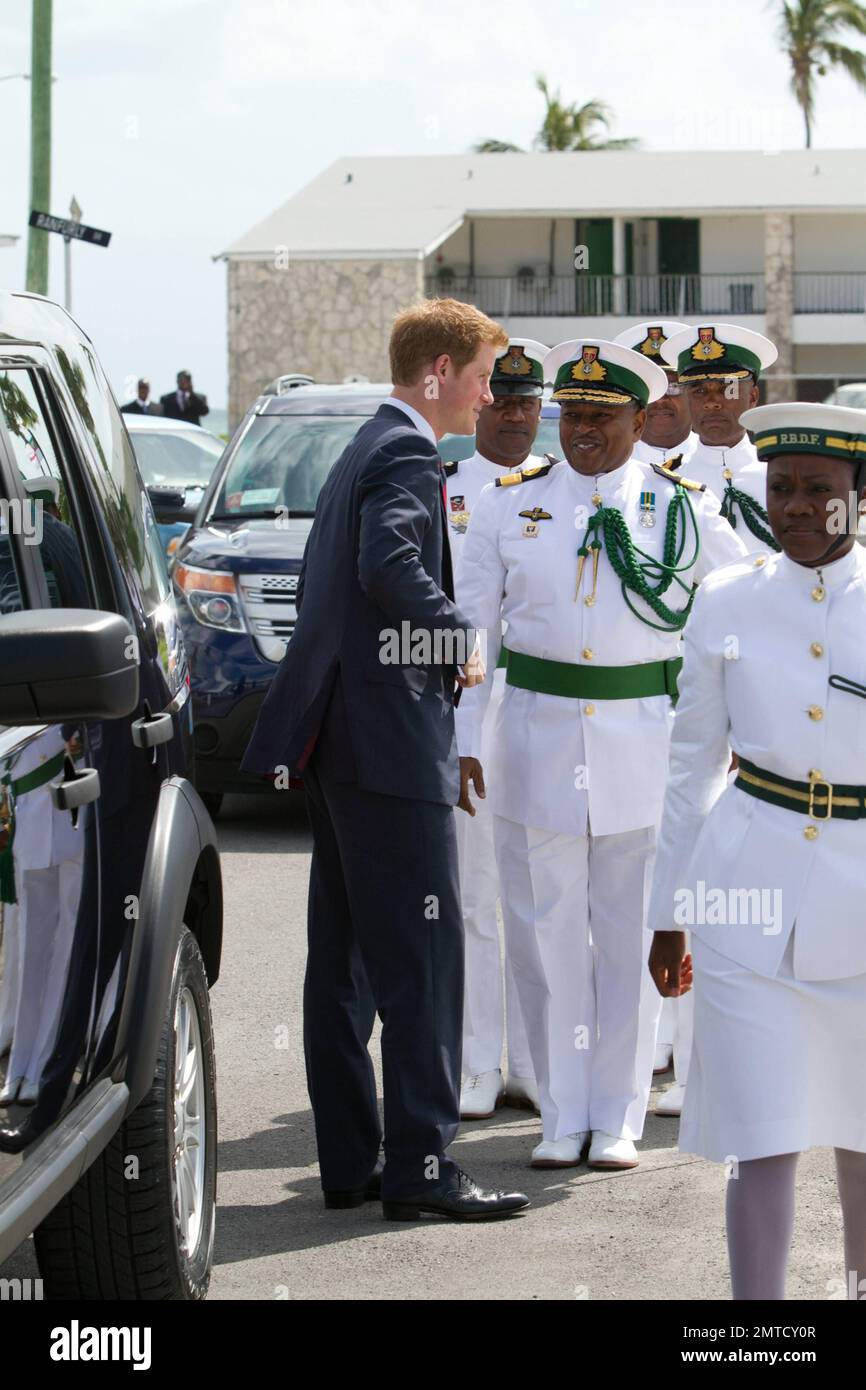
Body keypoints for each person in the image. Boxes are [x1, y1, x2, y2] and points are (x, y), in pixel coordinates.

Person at [239, 298, 530, 1223]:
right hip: (387, 740)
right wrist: (457, 635)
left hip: (340, 743)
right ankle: (422, 1167)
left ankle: (350, 1161)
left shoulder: (366, 442)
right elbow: (387, 564)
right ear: (438, 371)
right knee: (425, 957)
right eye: (483, 375)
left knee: (348, 958)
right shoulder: (405, 449)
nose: (489, 397)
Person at [455, 339, 747, 1172]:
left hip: (645, 747)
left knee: (629, 936)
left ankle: (616, 1115)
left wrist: (734, 732)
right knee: (544, 937)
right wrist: (464, 736)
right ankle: (561, 1110)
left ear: (635, 419)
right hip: (535, 740)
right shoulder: (514, 503)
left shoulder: (682, 507)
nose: (583, 430)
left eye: (602, 416)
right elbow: (473, 628)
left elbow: (741, 609)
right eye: (572, 413)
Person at [648, 401, 866, 1301]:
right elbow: (689, 765)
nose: (799, 507)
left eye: (821, 490)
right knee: (761, 1134)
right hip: (747, 893)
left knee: (862, 1136)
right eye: (783, 489)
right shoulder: (724, 601)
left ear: (859, 496)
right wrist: (667, 915)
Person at [444, 339, 545, 1121]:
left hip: (544, 704)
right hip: (469, 699)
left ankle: (539, 1064)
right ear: (481, 404)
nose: (514, 413)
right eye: (501, 400)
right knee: (475, 894)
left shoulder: (558, 489)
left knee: (540, 896)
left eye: (527, 402)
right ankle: (479, 1059)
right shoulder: (443, 487)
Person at [660, 323, 778, 555]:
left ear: (753, 396)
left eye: (727, 389)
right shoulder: (669, 481)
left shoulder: (778, 472)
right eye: (699, 391)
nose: (712, 402)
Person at [613, 321, 699, 471]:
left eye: (673, 387)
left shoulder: (721, 464)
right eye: (651, 389)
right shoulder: (608, 467)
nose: (660, 400)